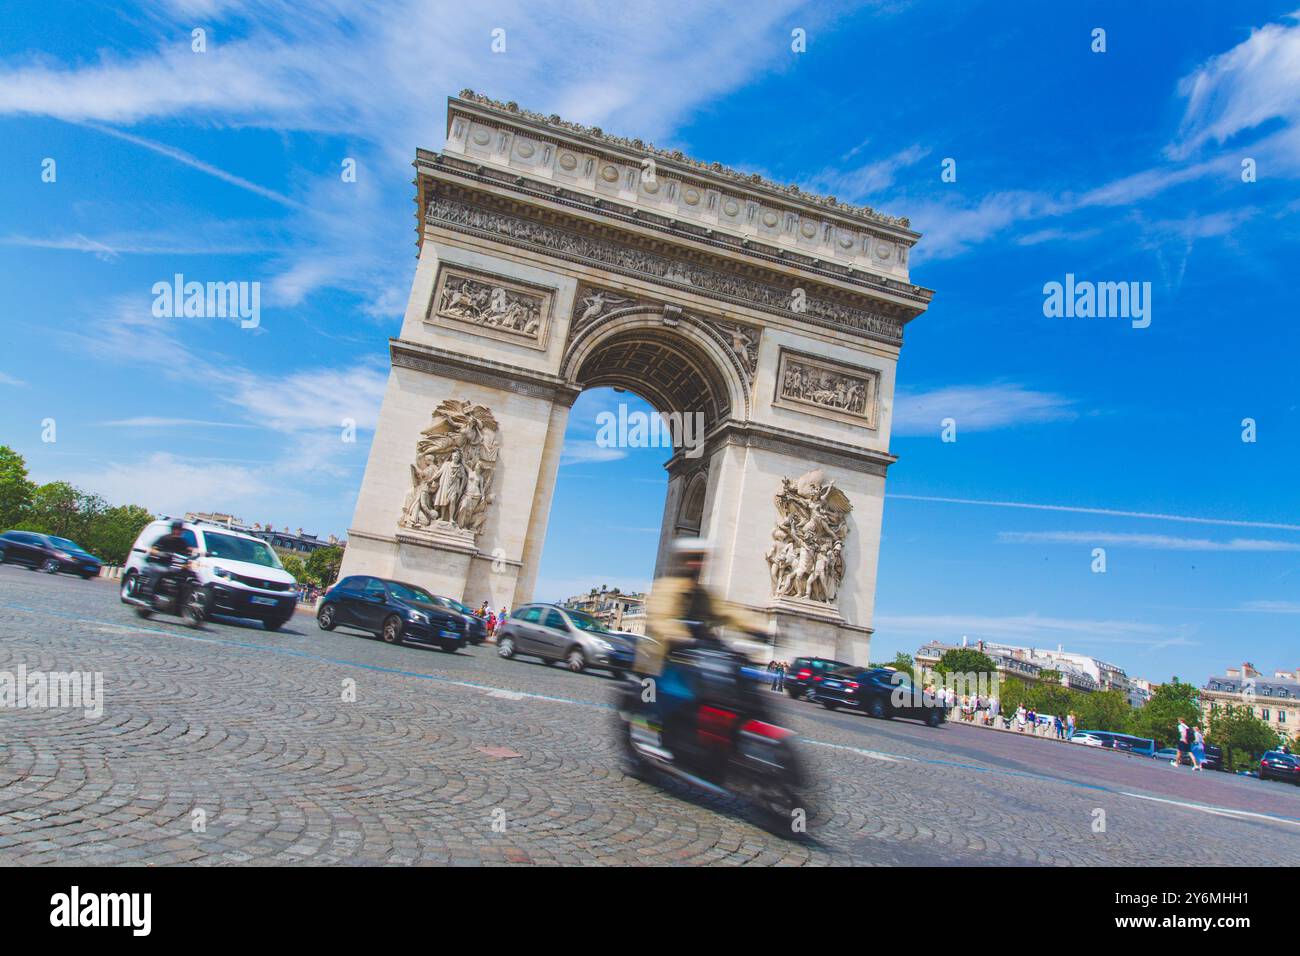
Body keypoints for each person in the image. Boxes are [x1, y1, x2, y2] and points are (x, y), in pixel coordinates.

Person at [140, 519, 196, 597]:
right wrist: (160, 553)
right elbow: (152, 549)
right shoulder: (164, 539)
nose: (178, 531)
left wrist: (201, 552)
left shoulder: (182, 542)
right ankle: (149, 593)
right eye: (176, 529)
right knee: (159, 571)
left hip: (172, 565)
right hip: (158, 563)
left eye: (180, 530)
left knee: (186, 574)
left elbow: (189, 549)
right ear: (172, 529)